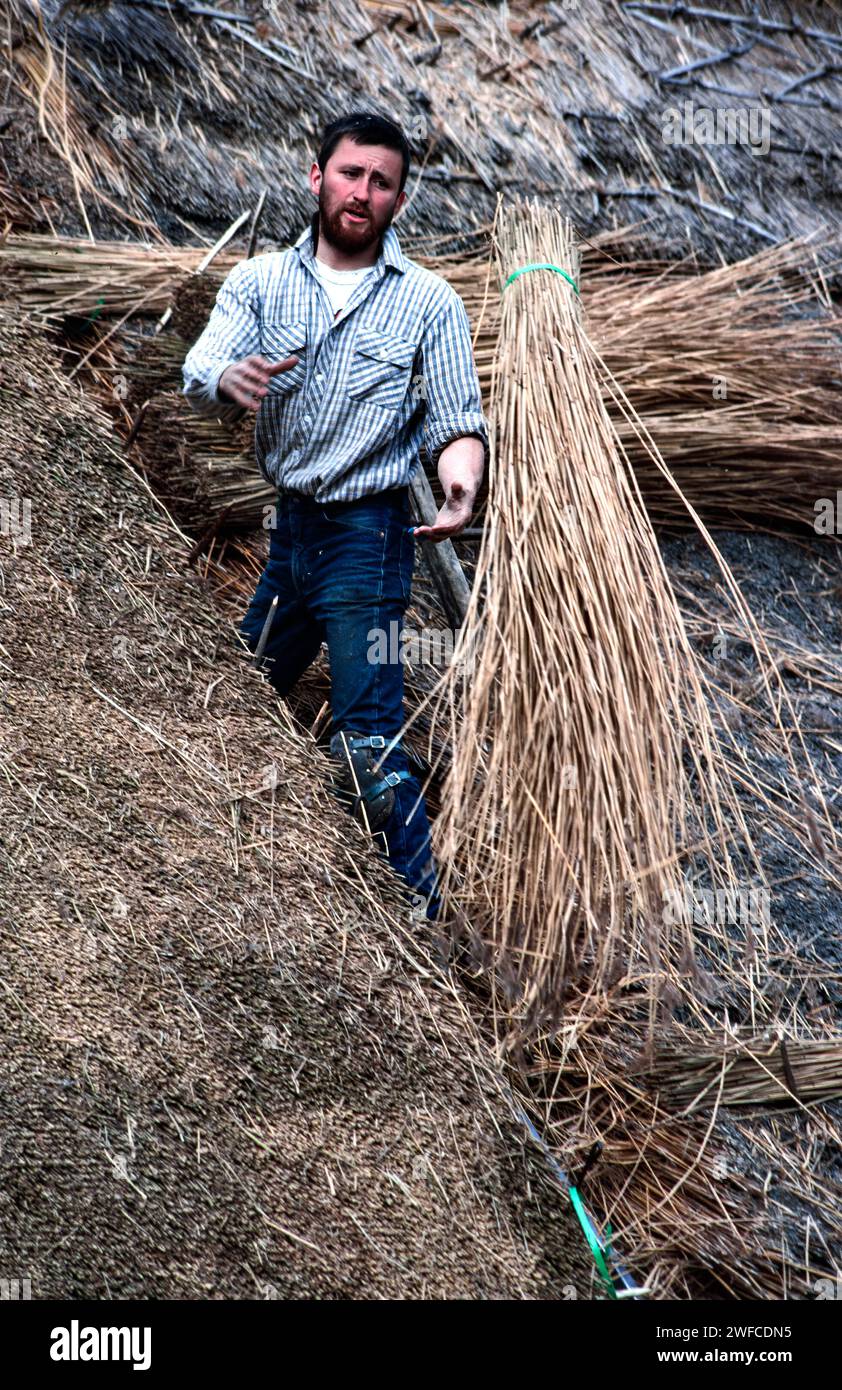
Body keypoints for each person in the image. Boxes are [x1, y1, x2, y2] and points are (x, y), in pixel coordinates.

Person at [182, 110, 488, 921]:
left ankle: (421, 916)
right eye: (351, 174)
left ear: (397, 200)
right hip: (294, 535)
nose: (363, 192)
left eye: (382, 182)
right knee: (238, 695)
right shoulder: (260, 283)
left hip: (369, 540)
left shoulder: (428, 303)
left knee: (364, 744)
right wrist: (227, 382)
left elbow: (456, 418)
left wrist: (461, 482)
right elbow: (203, 363)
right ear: (318, 178)